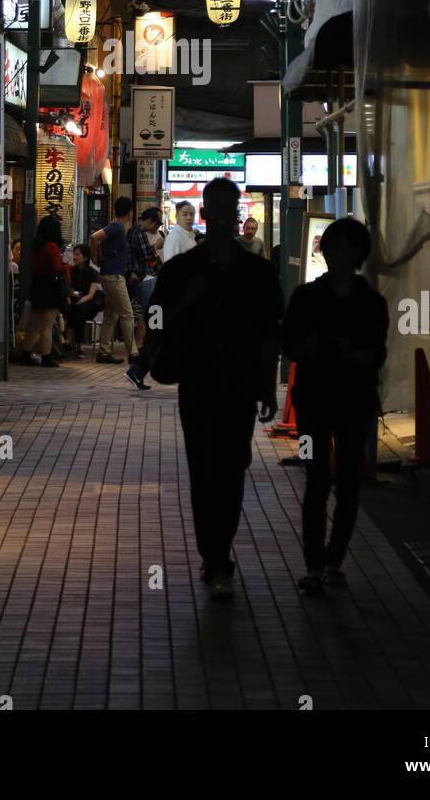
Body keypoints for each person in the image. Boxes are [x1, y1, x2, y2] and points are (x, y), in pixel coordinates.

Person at [148, 177, 283, 599]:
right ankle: (216, 556)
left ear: (236, 215)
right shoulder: (181, 271)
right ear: (206, 214)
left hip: (239, 385)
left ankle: (217, 552)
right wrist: (187, 301)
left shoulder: (258, 272)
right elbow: (153, 321)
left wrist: (268, 386)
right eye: (216, 210)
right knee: (205, 470)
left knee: (231, 468)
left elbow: (268, 333)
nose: (223, 217)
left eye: (230, 210)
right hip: (200, 384)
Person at [280, 217, 388, 594]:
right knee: (316, 480)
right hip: (312, 405)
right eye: (330, 246)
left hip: (354, 404)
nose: (334, 253)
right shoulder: (306, 297)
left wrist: (349, 353)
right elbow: (288, 344)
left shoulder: (372, 303)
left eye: (342, 246)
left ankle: (334, 561)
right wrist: (305, 349)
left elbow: (376, 354)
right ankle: (315, 564)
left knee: (347, 483)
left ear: (358, 252)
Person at [18, 216, 67, 368]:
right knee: (48, 325)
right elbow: (56, 268)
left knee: (35, 325)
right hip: (50, 286)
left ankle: (26, 354)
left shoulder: (35, 245)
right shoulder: (52, 247)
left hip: (37, 285)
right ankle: (47, 357)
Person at [90, 197, 134, 364]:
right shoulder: (116, 226)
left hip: (111, 274)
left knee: (111, 314)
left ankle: (104, 351)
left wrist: (98, 258)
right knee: (127, 314)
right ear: (129, 212)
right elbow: (95, 237)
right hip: (114, 276)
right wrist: (95, 258)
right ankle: (134, 353)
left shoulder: (117, 227)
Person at [124, 207, 163, 390]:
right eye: (153, 224)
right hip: (145, 281)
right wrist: (156, 247)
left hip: (144, 280)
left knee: (155, 326)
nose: (152, 228)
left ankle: (138, 369)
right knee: (156, 323)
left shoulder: (133, 231)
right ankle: (137, 369)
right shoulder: (138, 232)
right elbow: (148, 255)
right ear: (147, 221)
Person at [65, 245, 103, 357]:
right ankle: (76, 345)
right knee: (75, 310)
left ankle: (72, 342)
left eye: (77, 254)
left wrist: (79, 301)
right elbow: (69, 289)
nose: (74, 257)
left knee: (78, 310)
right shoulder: (71, 270)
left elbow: (91, 295)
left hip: (89, 303)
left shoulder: (93, 273)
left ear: (85, 258)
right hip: (75, 301)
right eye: (74, 254)